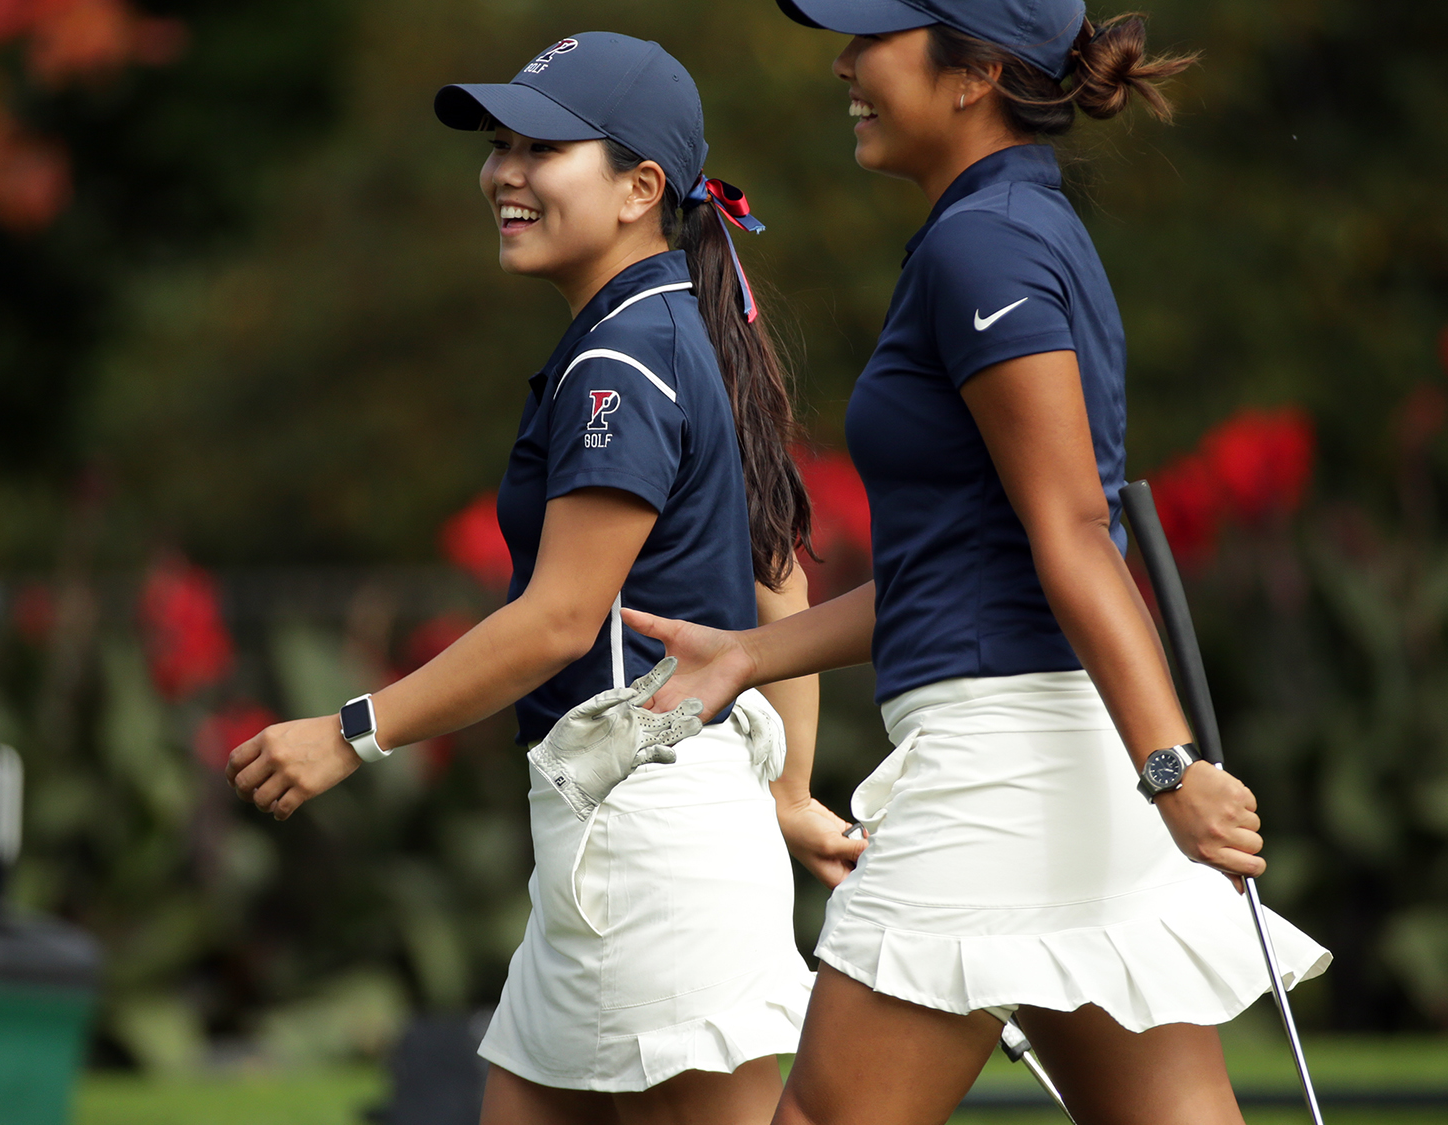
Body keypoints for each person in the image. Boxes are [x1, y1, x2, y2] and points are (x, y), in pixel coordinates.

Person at [622, 3, 1331, 1123]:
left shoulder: (983, 244)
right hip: (1059, 748)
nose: (846, 62)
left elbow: (1073, 532)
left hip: (1006, 766)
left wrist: (1169, 770)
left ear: (975, 75)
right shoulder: (998, 227)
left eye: (878, 39)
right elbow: (961, 565)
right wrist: (752, 654)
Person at [225, 31, 862, 1125]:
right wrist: (784, 794)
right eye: (498, 146)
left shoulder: (620, 360)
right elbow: (777, 581)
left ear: (638, 190)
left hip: (644, 842)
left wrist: (348, 732)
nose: (502, 175)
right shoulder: (679, 330)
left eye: (540, 148)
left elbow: (561, 620)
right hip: (637, 837)